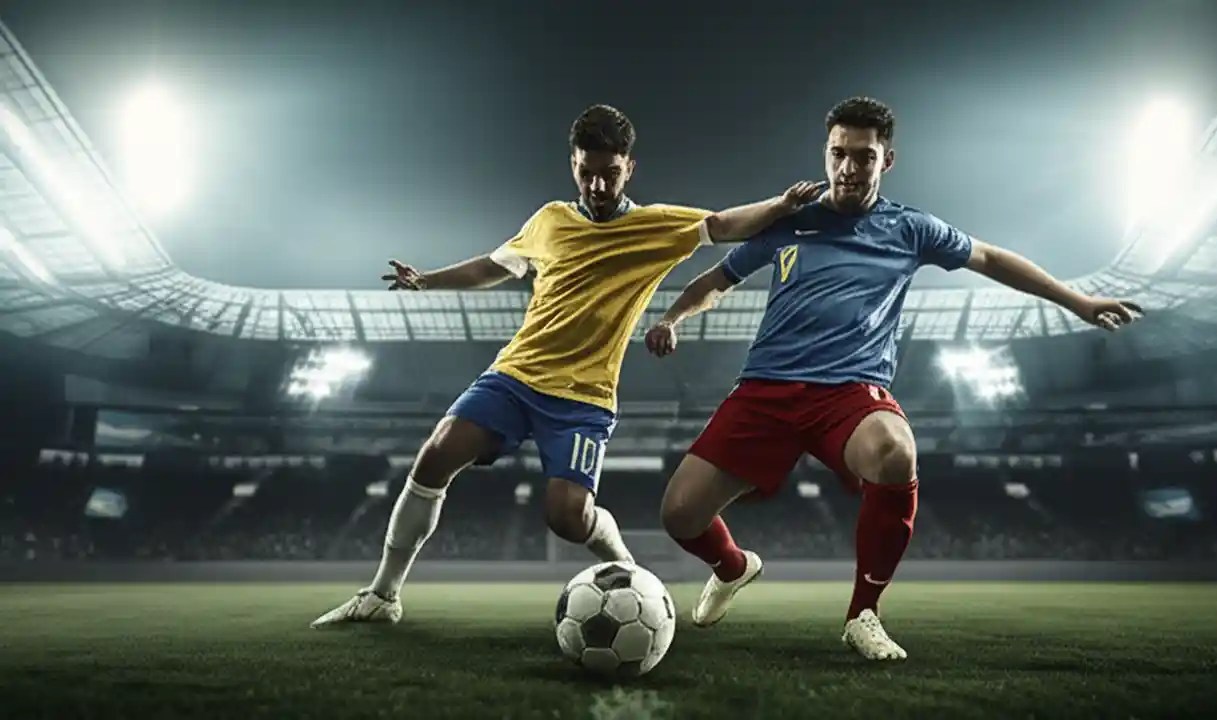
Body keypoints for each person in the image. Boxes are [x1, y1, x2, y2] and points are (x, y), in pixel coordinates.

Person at [644, 96, 1143, 659]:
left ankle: (863, 613)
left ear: (887, 161)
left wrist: (1075, 301)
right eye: (839, 154)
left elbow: (992, 258)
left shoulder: (910, 228)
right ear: (825, 153)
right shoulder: (790, 222)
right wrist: (670, 317)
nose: (848, 168)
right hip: (766, 389)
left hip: (850, 393)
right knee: (679, 515)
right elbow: (716, 279)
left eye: (864, 156)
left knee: (895, 451)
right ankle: (733, 567)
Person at [312, 104, 823, 627]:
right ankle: (382, 595)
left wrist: (781, 205)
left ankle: (626, 570)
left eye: (609, 173)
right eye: (586, 172)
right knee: (435, 455)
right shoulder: (550, 219)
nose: (598, 185)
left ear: (630, 168)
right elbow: (495, 266)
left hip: (582, 398)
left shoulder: (656, 227)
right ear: (573, 165)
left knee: (567, 517)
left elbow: (720, 225)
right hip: (514, 375)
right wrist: (428, 280)